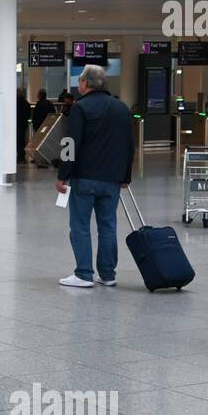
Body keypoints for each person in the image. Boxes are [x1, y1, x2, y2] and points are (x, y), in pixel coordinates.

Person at [55, 65, 134, 289]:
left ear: (86, 84)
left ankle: (83, 274)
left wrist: (63, 174)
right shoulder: (122, 108)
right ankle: (108, 274)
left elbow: (70, 143)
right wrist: (125, 176)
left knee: (80, 226)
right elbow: (129, 145)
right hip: (111, 180)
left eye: (80, 81)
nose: (78, 85)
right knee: (108, 226)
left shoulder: (80, 108)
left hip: (85, 178)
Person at [16, 88, 33, 163]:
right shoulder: (26, 103)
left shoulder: (15, 103)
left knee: (18, 140)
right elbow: (28, 114)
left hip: (17, 124)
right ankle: (21, 156)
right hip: (23, 124)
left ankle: (19, 156)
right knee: (22, 140)